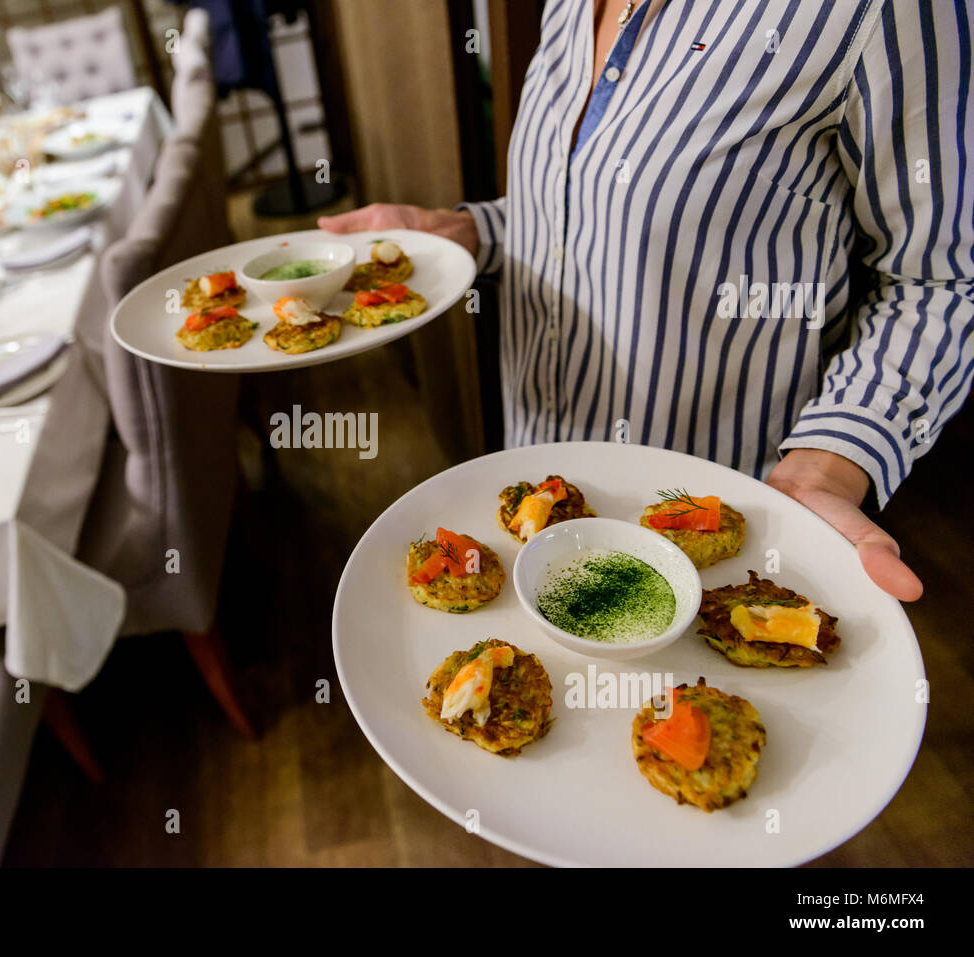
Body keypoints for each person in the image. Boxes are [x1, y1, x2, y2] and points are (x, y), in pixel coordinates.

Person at [322, 0, 973, 602]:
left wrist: (831, 464)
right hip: (534, 508)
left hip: (710, 550)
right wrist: (472, 233)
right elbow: (592, 204)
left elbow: (945, 281)